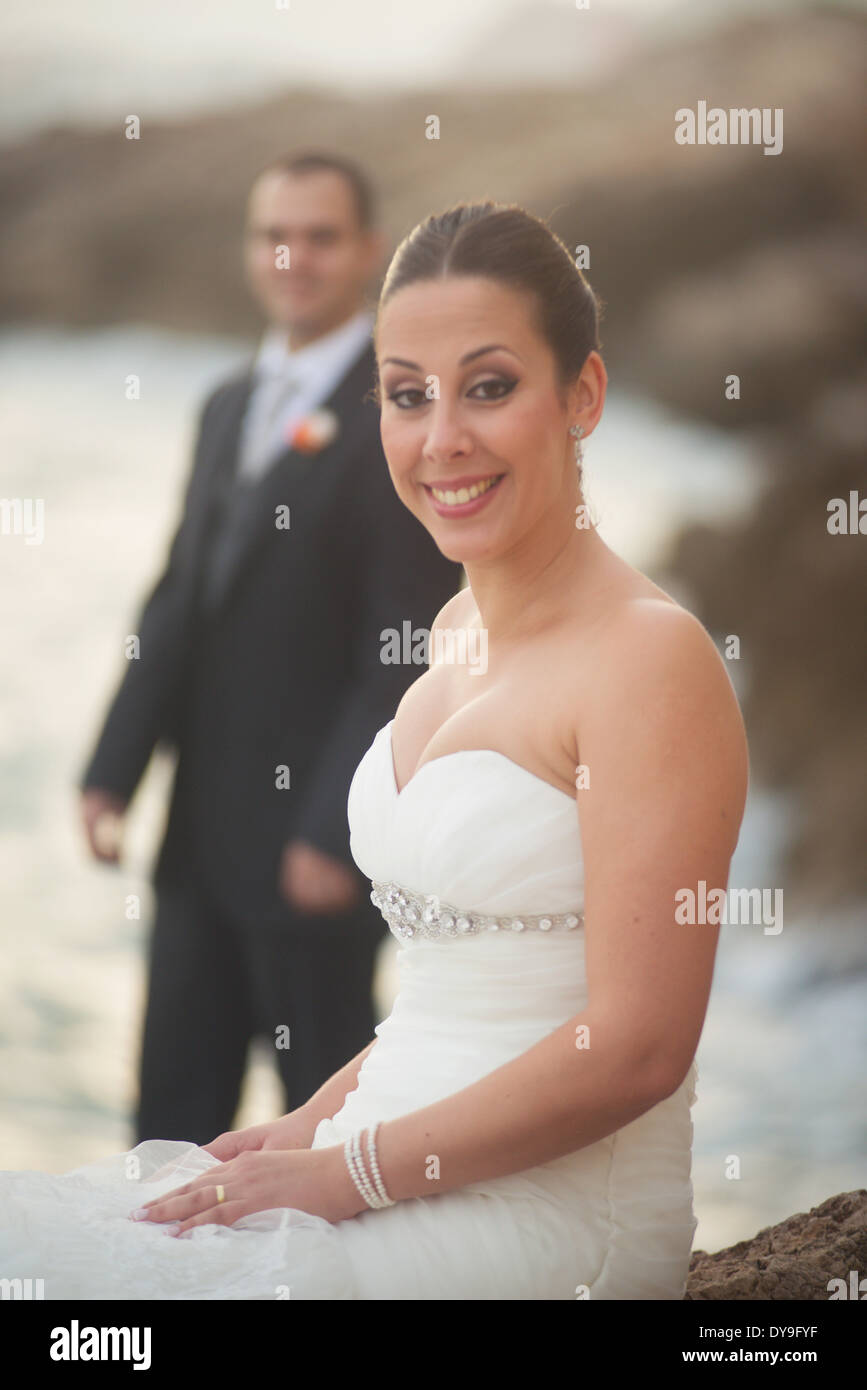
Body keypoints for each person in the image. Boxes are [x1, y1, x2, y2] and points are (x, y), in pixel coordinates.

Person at [0, 200, 748, 1299]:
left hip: (547, 1224)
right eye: (407, 394)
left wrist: (346, 1175)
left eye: (488, 386)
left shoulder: (651, 659)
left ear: (582, 395)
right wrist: (305, 1125)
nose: (441, 436)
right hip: (385, 1158)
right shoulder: (451, 631)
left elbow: (639, 1047)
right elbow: (460, 996)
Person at [77, 152, 461, 1145]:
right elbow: (178, 595)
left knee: (325, 1141)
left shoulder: (400, 416)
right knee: (166, 1131)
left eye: (321, 235)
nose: (292, 255)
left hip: (315, 857)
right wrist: (112, 769)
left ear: (370, 252)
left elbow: (405, 644)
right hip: (197, 840)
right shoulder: (225, 403)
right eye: (272, 234)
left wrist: (334, 832)